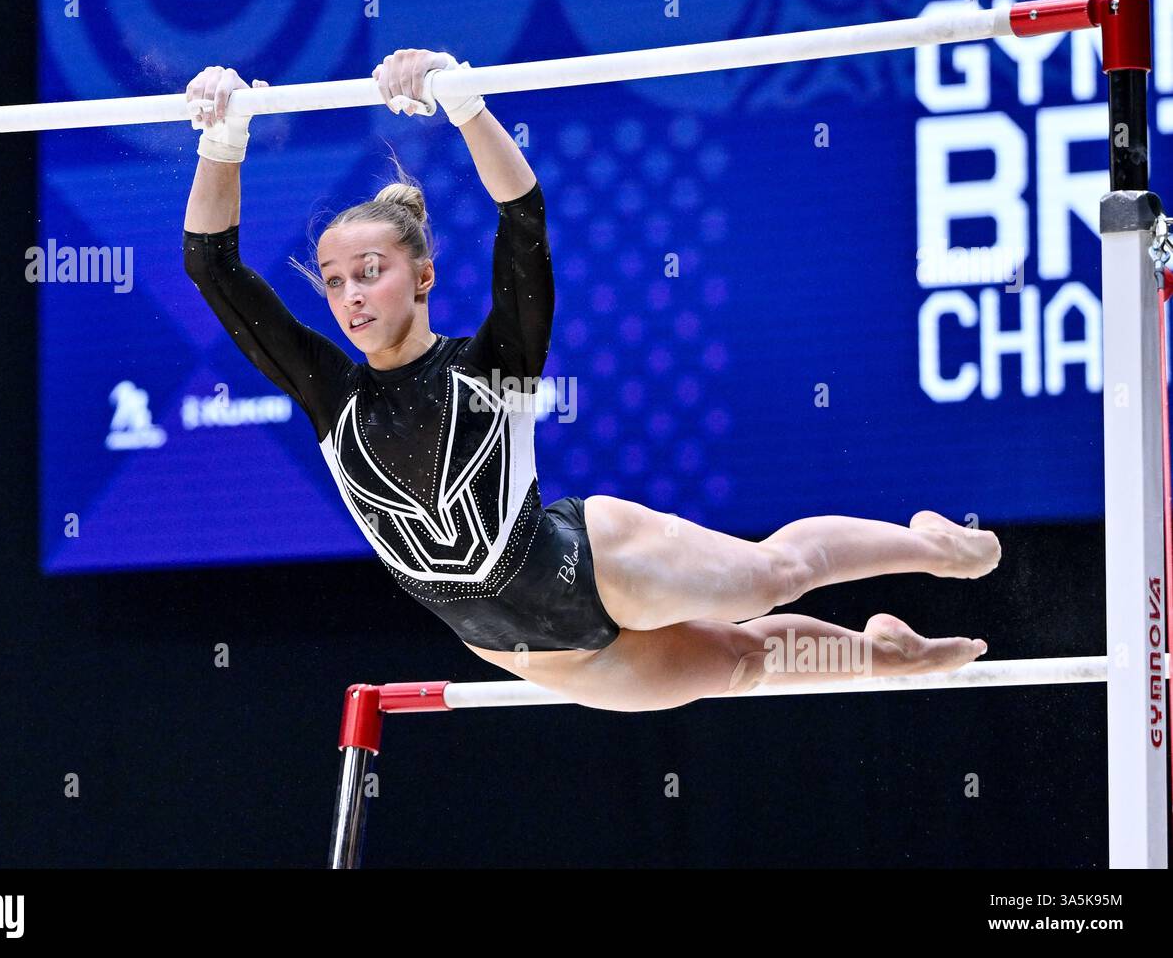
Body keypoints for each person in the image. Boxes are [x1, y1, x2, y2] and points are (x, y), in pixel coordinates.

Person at [180, 49, 999, 713]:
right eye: (335, 280)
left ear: (423, 276)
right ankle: (886, 655)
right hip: (525, 646)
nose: (351, 295)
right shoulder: (332, 393)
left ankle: (937, 548)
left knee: (769, 578)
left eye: (372, 271)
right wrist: (222, 134)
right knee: (745, 662)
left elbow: (523, 217)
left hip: (593, 565)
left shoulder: (491, 368)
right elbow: (211, 265)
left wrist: (463, 102)